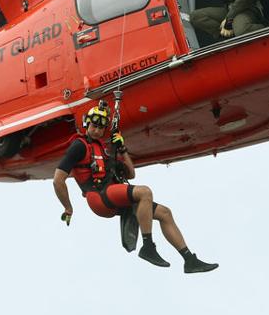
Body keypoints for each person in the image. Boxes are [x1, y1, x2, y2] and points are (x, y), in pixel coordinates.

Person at [53, 103, 218, 273]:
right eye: (94, 126)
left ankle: (189, 260)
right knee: (144, 192)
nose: (97, 131)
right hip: (99, 197)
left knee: (165, 213)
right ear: (87, 123)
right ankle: (148, 246)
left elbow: (131, 174)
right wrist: (68, 207)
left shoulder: (103, 150)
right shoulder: (80, 146)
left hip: (111, 194)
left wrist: (123, 150)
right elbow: (58, 180)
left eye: (101, 128)